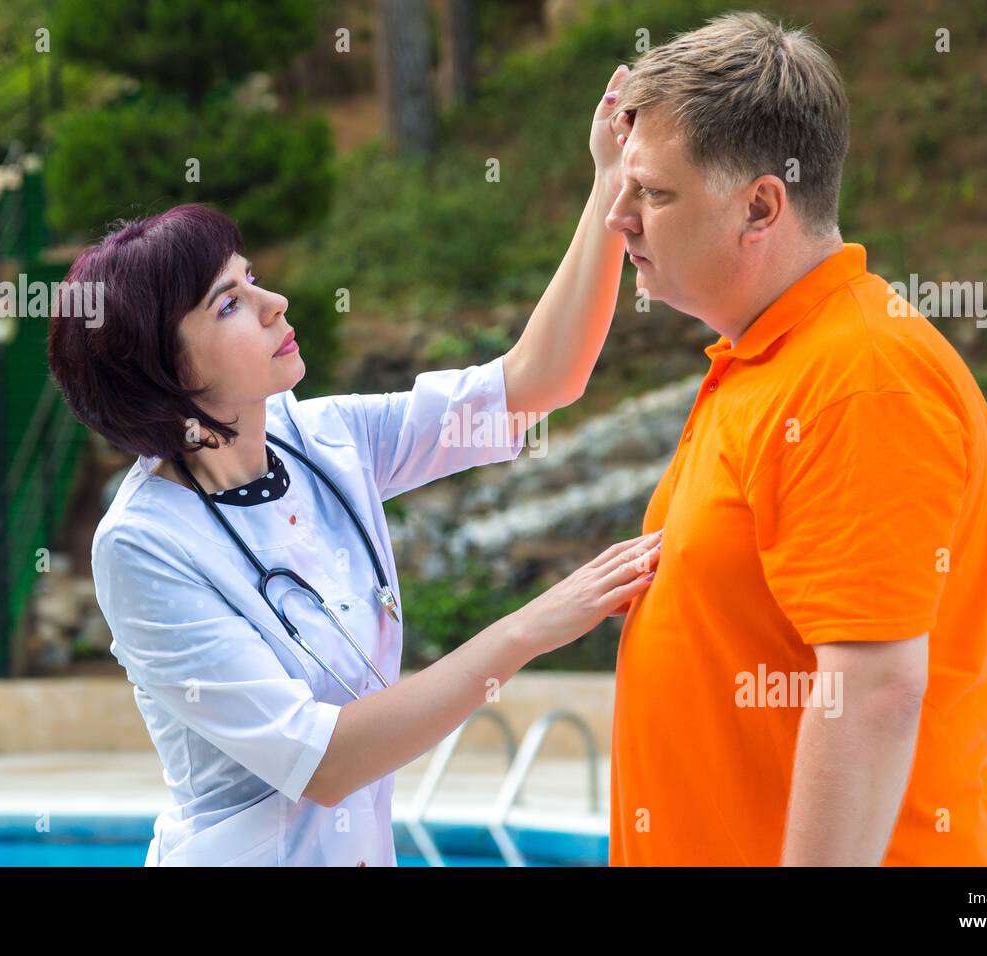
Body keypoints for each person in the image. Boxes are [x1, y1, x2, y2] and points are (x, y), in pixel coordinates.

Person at [47, 68, 653, 866]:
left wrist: (610, 179)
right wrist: (531, 627)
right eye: (228, 303)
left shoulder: (326, 441)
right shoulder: (143, 546)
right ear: (162, 369)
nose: (276, 306)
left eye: (252, 280)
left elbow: (536, 385)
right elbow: (324, 762)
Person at [604, 12, 987, 866]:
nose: (620, 218)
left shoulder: (858, 379)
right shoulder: (769, 359)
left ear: (761, 204)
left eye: (654, 192)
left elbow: (872, 691)